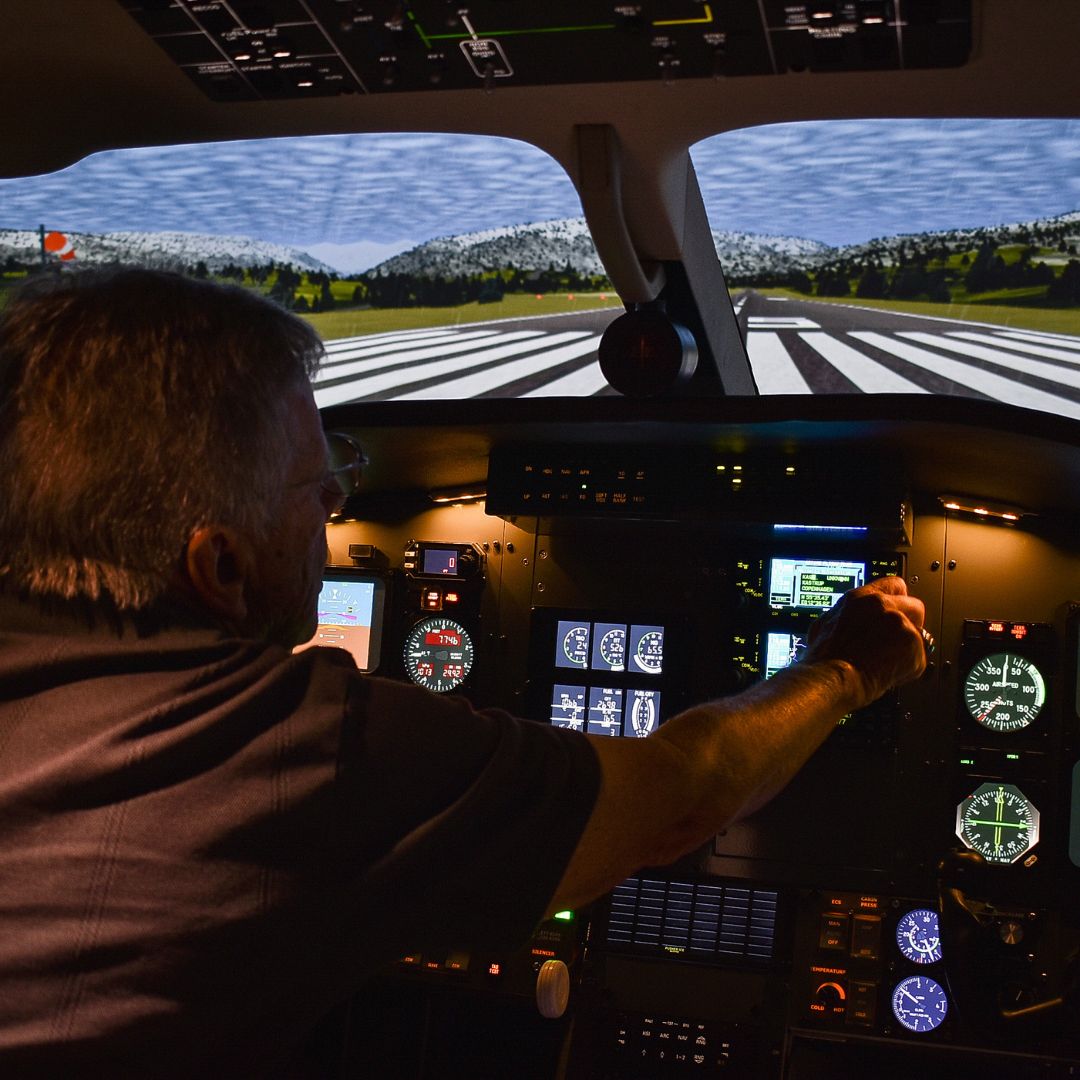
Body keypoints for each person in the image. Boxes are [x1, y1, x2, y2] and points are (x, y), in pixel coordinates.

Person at [0, 268, 927, 1076]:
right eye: (320, 491)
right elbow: (678, 801)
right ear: (221, 568)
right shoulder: (289, 751)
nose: (337, 510)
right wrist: (846, 670)